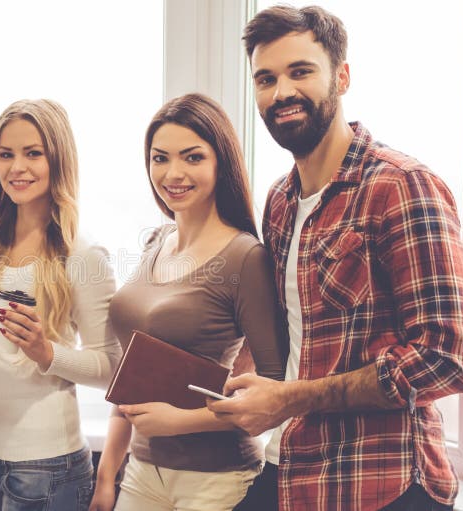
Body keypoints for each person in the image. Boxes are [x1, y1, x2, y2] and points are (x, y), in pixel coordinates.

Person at [207, 6, 463, 511]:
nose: (281, 92)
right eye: (266, 79)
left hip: (383, 484)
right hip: (290, 468)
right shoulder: (281, 201)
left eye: (300, 71)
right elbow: (301, 333)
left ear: (342, 76)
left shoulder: (402, 187)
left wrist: (290, 398)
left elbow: (447, 360)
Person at [89, 93, 288, 511]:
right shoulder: (156, 243)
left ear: (221, 163)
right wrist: (107, 475)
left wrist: (179, 421)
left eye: (192, 158)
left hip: (215, 478)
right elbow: (131, 375)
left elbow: (273, 387)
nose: (173, 172)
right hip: (142, 470)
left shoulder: (245, 256)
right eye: (160, 158)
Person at [0, 98, 122, 511]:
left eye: (33, 153)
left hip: (47, 467)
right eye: (6, 154)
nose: (17, 167)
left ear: (58, 160)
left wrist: (46, 353)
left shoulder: (81, 255)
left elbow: (112, 369)